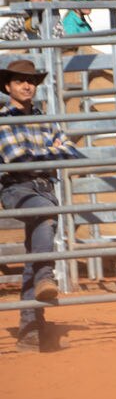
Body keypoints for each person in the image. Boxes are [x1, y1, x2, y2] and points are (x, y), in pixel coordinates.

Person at [0, 60, 84, 352]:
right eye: (20, 81)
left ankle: (30, 330)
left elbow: (71, 151)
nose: (27, 86)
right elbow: (16, 158)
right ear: (8, 86)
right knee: (45, 218)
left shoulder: (44, 117)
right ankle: (46, 276)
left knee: (35, 253)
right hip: (17, 188)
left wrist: (38, 154)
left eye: (32, 81)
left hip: (44, 188)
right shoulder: (2, 118)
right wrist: (49, 153)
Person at [0, 0, 65, 41]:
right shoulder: (23, 16)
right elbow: (3, 32)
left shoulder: (52, 16)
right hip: (29, 47)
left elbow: (59, 36)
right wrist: (25, 36)